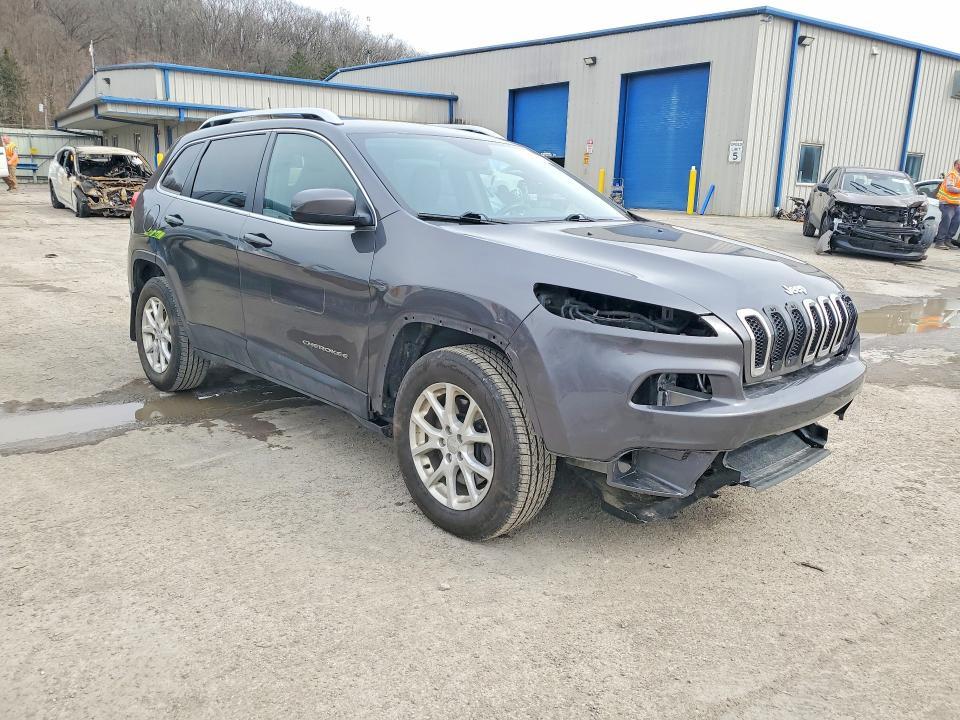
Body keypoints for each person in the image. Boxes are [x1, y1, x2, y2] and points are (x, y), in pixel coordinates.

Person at [933, 159, 960, 250]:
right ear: (957, 164)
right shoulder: (952, 174)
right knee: (946, 223)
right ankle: (939, 242)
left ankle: (948, 241)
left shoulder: (958, 175)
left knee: (955, 223)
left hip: (955, 204)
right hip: (947, 203)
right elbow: (950, 188)